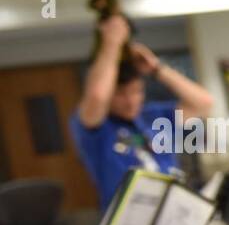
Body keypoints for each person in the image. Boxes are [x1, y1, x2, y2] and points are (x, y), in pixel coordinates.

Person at [72, 14, 214, 209]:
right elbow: (97, 96)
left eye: (137, 92)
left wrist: (157, 68)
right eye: (121, 94)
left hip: (169, 212)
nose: (131, 101)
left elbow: (204, 103)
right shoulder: (96, 127)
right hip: (128, 218)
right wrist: (112, 44)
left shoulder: (155, 116)